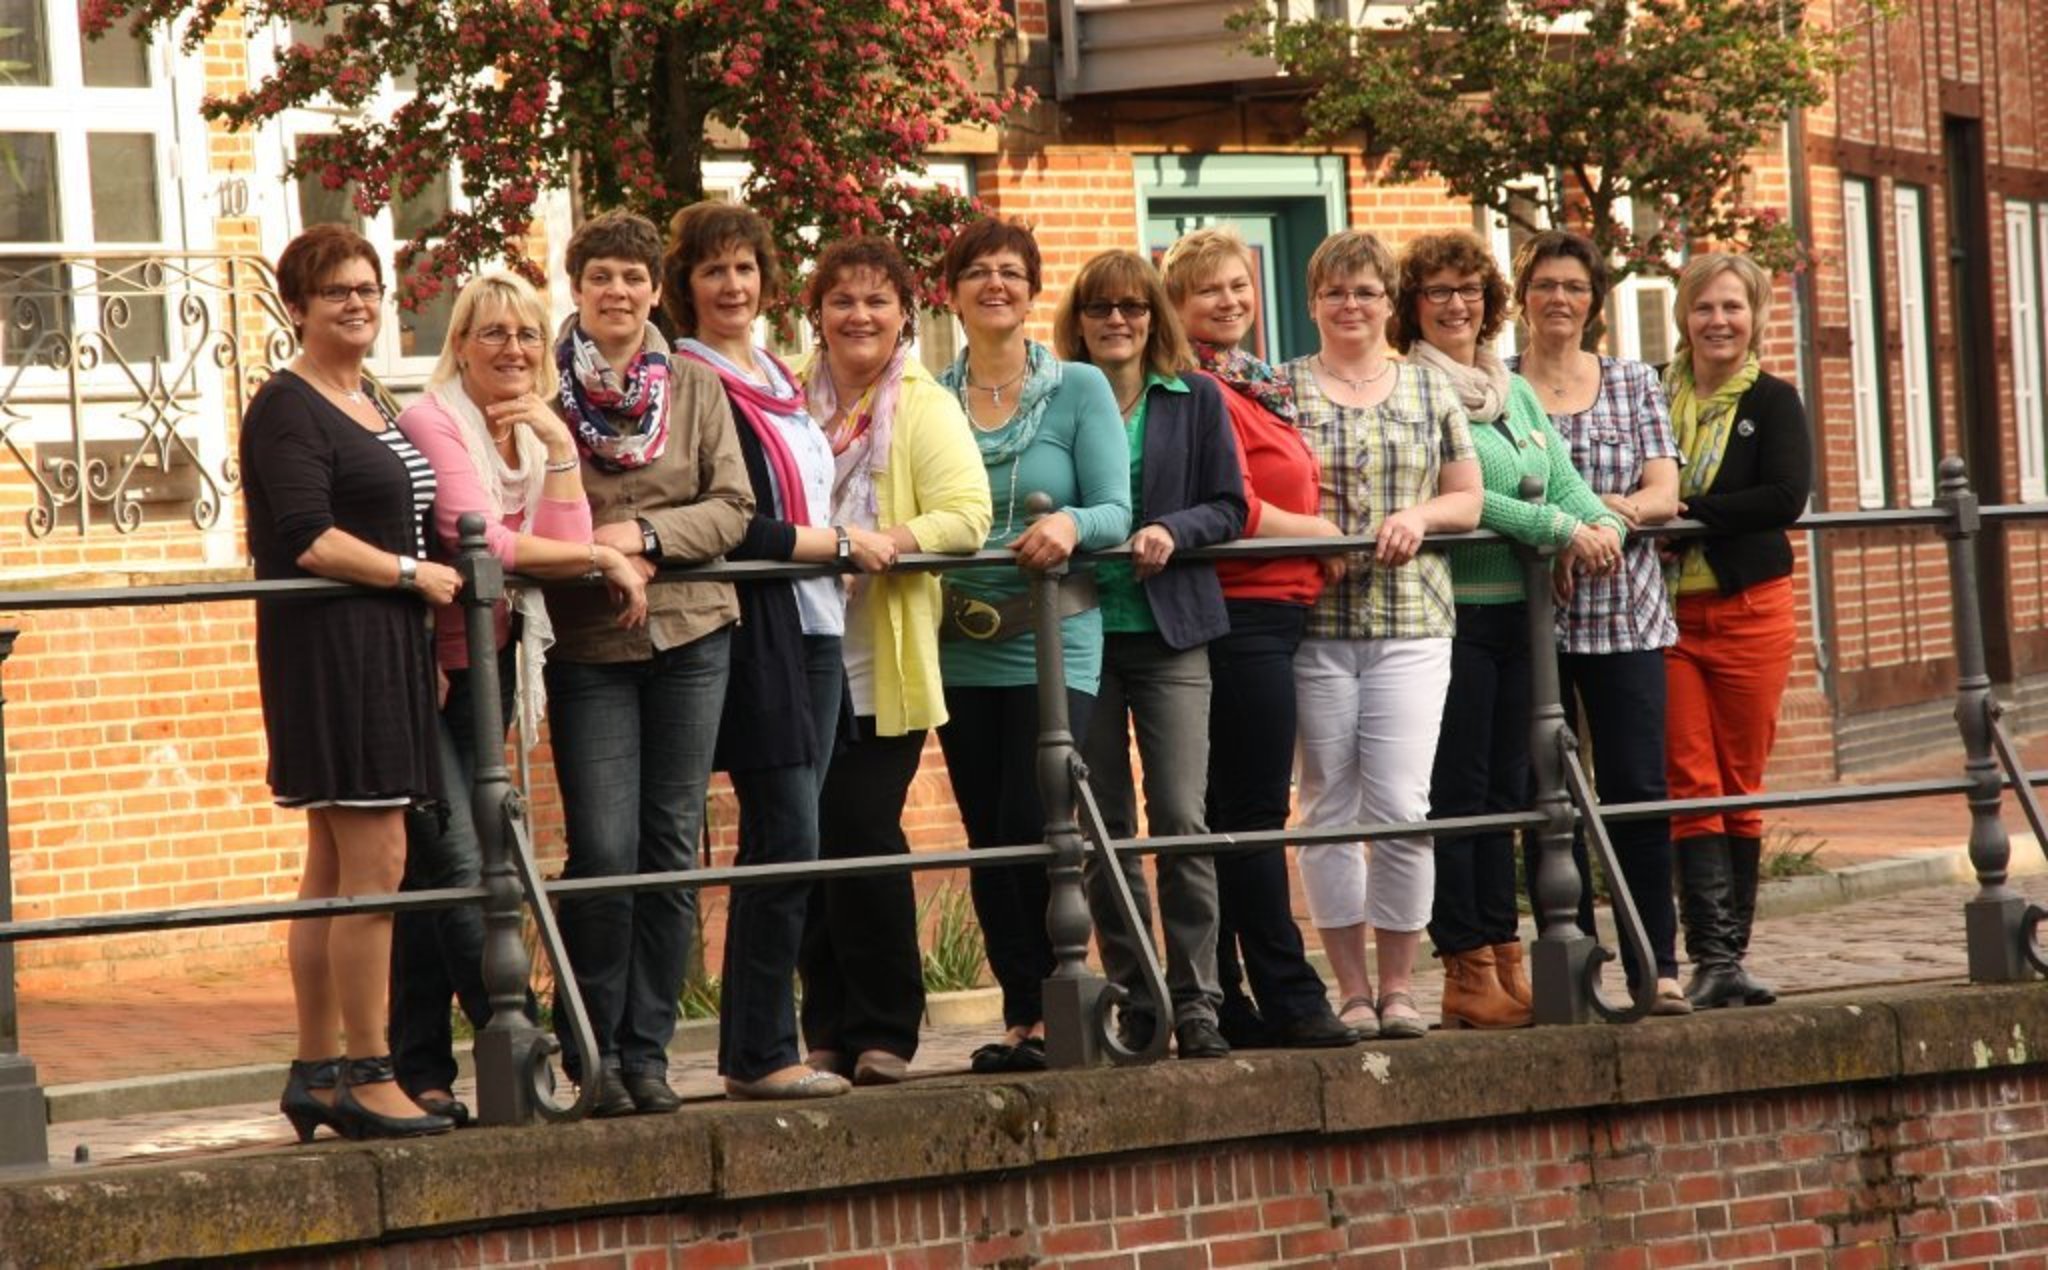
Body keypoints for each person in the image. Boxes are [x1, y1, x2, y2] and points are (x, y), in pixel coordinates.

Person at [391, 270, 649, 1126]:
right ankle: (525, 1047)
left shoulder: (540, 430)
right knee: (458, 862)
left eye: (529, 336)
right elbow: (489, 542)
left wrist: (565, 451)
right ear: (459, 343)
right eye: (492, 333)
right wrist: (606, 559)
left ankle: (420, 1068)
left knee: (440, 869)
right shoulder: (434, 419)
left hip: (489, 666)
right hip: (419, 669)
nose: (512, 350)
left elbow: (563, 540)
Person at [663, 202, 886, 1100]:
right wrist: (834, 546)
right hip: (760, 622)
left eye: (746, 269)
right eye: (713, 271)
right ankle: (760, 1052)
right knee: (784, 832)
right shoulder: (689, 378)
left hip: (818, 621)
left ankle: (762, 1043)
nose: (732, 285)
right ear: (687, 286)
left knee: (798, 831)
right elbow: (731, 521)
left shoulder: (775, 375)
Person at [243, 225, 458, 1140]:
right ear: (298, 307)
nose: (359, 302)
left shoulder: (364, 394)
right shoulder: (286, 406)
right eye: (336, 291)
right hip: (335, 652)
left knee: (334, 867)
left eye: (369, 287)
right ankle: (368, 1076)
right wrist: (416, 577)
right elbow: (306, 534)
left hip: (385, 649)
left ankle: (315, 1068)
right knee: (377, 864)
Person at [541, 210, 753, 1115]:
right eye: (601, 280)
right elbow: (532, 517)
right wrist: (598, 551)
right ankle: (589, 1049)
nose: (618, 293)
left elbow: (733, 504)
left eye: (633, 278)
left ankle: (647, 1054)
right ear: (577, 291)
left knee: (670, 847)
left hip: (692, 632)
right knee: (603, 849)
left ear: (654, 292)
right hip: (591, 641)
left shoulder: (699, 389)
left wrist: (648, 533)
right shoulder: (545, 401)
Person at [1395, 229, 1627, 1031]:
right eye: (1437, 293)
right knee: (1459, 793)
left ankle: (1504, 959)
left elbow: (1566, 478)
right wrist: (1560, 530)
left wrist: (1602, 526)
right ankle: (1464, 967)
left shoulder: (1511, 389)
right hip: (1450, 615)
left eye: (1468, 290)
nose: (1456, 305)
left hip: (1522, 619)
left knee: (1511, 790)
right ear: (1413, 309)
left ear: (1489, 302)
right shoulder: (1410, 389)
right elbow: (1467, 500)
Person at [933, 218, 1131, 1074]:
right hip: (958, 641)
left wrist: (1068, 519)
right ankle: (1020, 1015)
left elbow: (1118, 511)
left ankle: (1065, 999)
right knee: (987, 831)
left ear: (1031, 288)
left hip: (1056, 638)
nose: (994, 285)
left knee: (1037, 815)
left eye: (1011, 272)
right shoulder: (928, 397)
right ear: (952, 293)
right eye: (976, 273)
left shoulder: (1078, 387)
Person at [794, 236, 992, 1084]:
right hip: (799, 653)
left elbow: (968, 515)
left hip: (883, 658)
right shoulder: (785, 398)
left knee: (862, 830)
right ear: (816, 315)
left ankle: (886, 1028)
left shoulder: (922, 402)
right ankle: (825, 1029)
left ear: (905, 312)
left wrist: (884, 541)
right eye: (842, 300)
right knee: (802, 839)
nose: (859, 315)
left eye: (877, 300)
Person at [1280, 229, 1484, 1041]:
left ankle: (1400, 986)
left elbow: (1465, 499)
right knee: (1326, 805)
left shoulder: (1427, 388)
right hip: (1315, 623)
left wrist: (1417, 515)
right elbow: (1256, 486)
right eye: (1335, 292)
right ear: (1314, 303)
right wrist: (1308, 533)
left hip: (1411, 621)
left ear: (1388, 302)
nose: (1351, 304)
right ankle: (1351, 989)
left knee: (1401, 803)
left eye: (1366, 291)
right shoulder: (1283, 389)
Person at [1161, 226, 1357, 1050]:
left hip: (1277, 611)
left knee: (1232, 808)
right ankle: (1286, 992)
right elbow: (1234, 504)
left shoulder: (1254, 383)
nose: (1230, 301)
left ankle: (1233, 994)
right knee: (1248, 810)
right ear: (1177, 305)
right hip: (1238, 612)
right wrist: (1326, 532)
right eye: (1209, 290)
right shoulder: (1198, 389)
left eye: (1239, 286)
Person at [1053, 249, 1247, 1059]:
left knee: (1180, 816)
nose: (1117, 321)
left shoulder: (1195, 397)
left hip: (1173, 634)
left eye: (1132, 307)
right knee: (1103, 828)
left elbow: (1231, 504)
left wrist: (1176, 528)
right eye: (1100, 308)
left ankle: (1198, 1000)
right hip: (1083, 631)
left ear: (1153, 317)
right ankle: (1140, 996)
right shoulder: (1056, 398)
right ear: (1080, 321)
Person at [1506, 230, 1689, 1016]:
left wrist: (1611, 516)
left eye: (1573, 287)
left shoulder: (1631, 380)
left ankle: (1660, 964)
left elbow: (1663, 490)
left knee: (1635, 790)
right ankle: (1571, 959)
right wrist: (1558, 527)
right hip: (1531, 622)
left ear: (1595, 301)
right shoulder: (1499, 385)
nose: (1558, 299)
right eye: (1544, 284)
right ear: (1523, 299)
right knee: (1544, 797)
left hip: (1625, 615)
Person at [1660, 252, 1812, 1009]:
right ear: (1683, 316)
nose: (1718, 322)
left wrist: (1686, 517)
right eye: (1704, 308)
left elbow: (1784, 495)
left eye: (1733, 308)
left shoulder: (1775, 400)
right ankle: (1709, 957)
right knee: (1690, 780)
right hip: (1664, 613)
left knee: (1740, 780)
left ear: (1754, 316)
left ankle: (1733, 957)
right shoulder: (1654, 393)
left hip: (1752, 610)